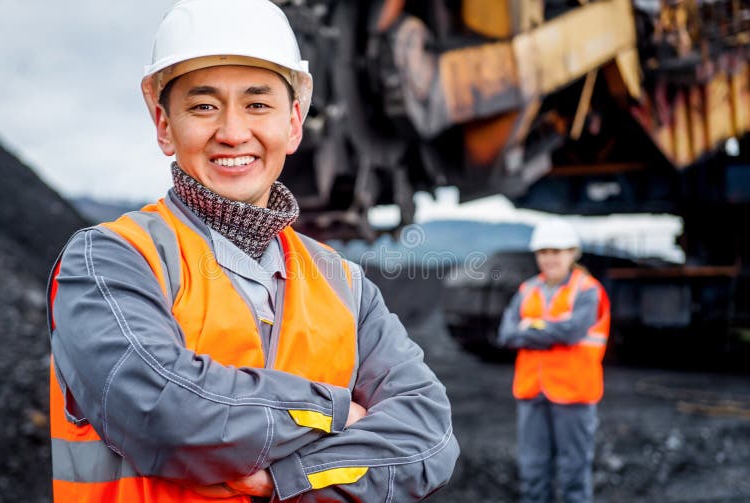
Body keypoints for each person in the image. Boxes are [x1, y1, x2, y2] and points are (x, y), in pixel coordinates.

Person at [46, 1, 459, 501]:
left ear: (294, 123)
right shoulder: (110, 262)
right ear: (164, 125)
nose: (233, 132)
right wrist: (335, 412)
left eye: (257, 104)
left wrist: (285, 478)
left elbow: (428, 436)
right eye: (204, 106)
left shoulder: (344, 284)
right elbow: (162, 411)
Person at [497, 218, 610, 503]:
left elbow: (572, 332)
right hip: (532, 391)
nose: (550, 258)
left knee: (574, 474)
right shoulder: (527, 289)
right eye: (544, 252)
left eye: (556, 251)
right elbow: (507, 334)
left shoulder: (588, 290)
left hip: (573, 393)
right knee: (533, 472)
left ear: (572, 253)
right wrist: (549, 332)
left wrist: (531, 328)